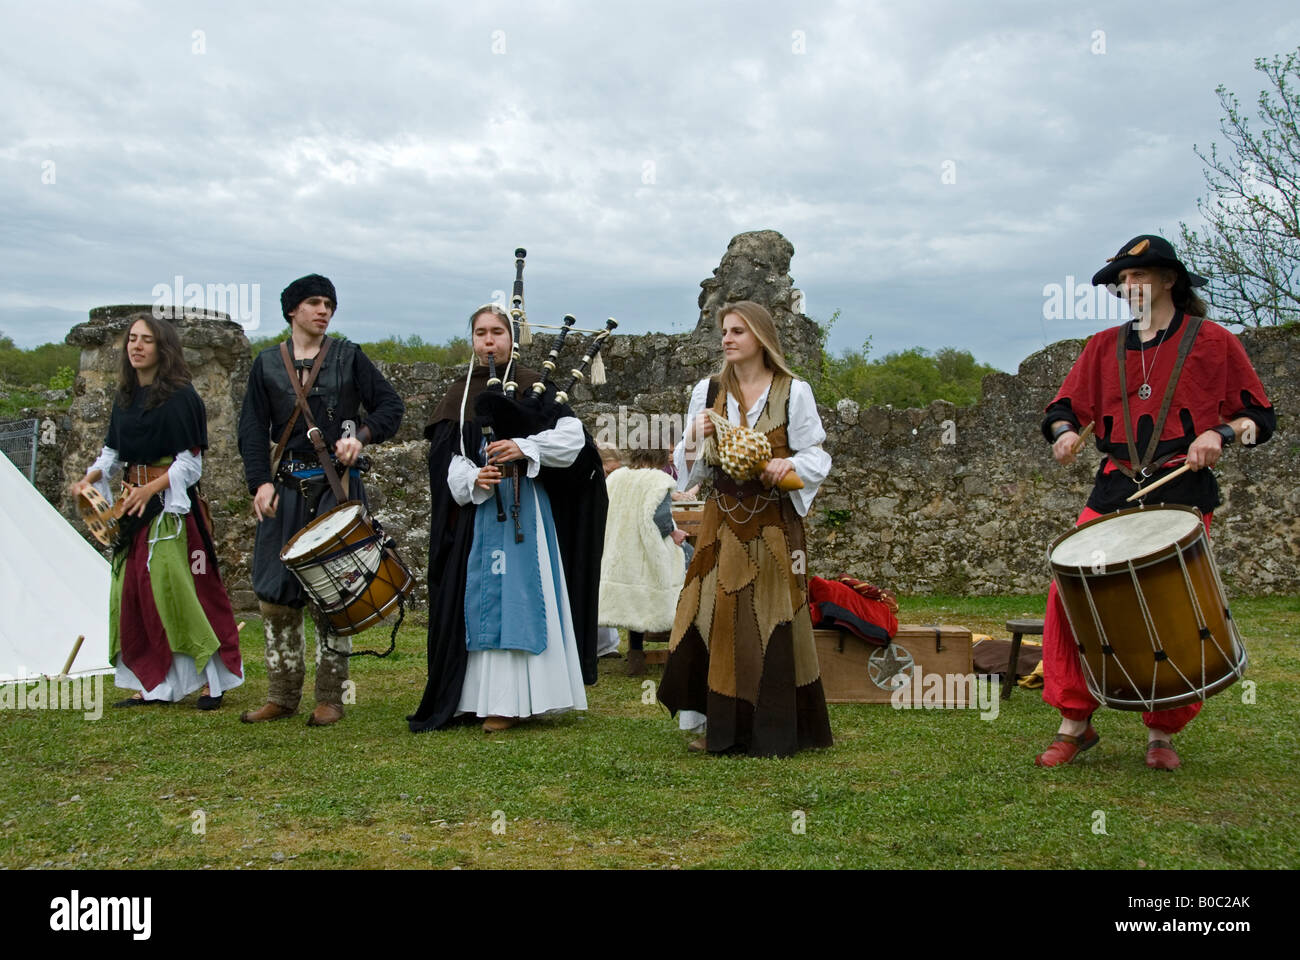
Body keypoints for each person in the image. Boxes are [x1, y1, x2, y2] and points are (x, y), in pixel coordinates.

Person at [1037, 234, 1275, 770]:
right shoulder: (1102, 347)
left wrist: (1222, 435)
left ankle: (1163, 731)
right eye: (1123, 280)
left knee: (1176, 606)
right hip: (1115, 486)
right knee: (1068, 594)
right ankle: (1074, 720)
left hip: (1182, 491)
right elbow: (1062, 407)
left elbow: (1260, 418)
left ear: (1169, 280)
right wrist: (1065, 434)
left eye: (1140, 275)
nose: (1130, 286)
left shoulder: (1214, 342)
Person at [407, 304, 607, 733]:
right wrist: (473, 476)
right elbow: (445, 461)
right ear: (473, 340)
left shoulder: (536, 385)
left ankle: (517, 700)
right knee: (475, 599)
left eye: (497, 331)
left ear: (512, 337)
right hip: (475, 519)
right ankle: (471, 698)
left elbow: (574, 441)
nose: (489, 340)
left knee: (520, 597)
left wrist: (525, 448)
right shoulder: (457, 395)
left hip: (526, 515)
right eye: (481, 332)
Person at [657, 300, 833, 757]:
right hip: (721, 521)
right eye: (725, 332)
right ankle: (721, 724)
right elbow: (687, 474)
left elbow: (817, 457)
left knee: (773, 617)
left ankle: (774, 728)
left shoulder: (793, 391)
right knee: (713, 612)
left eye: (738, 331)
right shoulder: (708, 391)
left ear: (760, 338)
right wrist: (695, 436)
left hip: (775, 522)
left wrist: (788, 462)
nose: (728, 339)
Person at [236, 274, 404, 726]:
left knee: (337, 590)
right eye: (313, 303)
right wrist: (260, 484)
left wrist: (362, 437)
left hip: (337, 488)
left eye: (329, 303)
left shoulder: (349, 357)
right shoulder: (267, 364)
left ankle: (330, 696)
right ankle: (281, 695)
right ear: (293, 310)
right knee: (273, 594)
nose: (323, 310)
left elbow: (391, 407)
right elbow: (252, 430)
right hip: (285, 487)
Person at [70, 315, 243, 708]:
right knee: (131, 593)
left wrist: (150, 489)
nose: (137, 346)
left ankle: (211, 681)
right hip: (134, 510)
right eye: (132, 339)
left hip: (170, 510)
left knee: (177, 590)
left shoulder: (182, 398)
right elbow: (112, 454)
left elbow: (189, 464)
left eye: (146, 340)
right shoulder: (125, 397)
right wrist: (90, 478)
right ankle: (155, 685)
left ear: (162, 348)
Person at [599, 444, 692, 676]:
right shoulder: (657, 480)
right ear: (661, 459)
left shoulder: (616, 478)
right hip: (647, 554)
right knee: (689, 559)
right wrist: (675, 533)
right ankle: (680, 645)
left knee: (635, 602)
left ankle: (636, 655)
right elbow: (660, 519)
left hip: (620, 555)